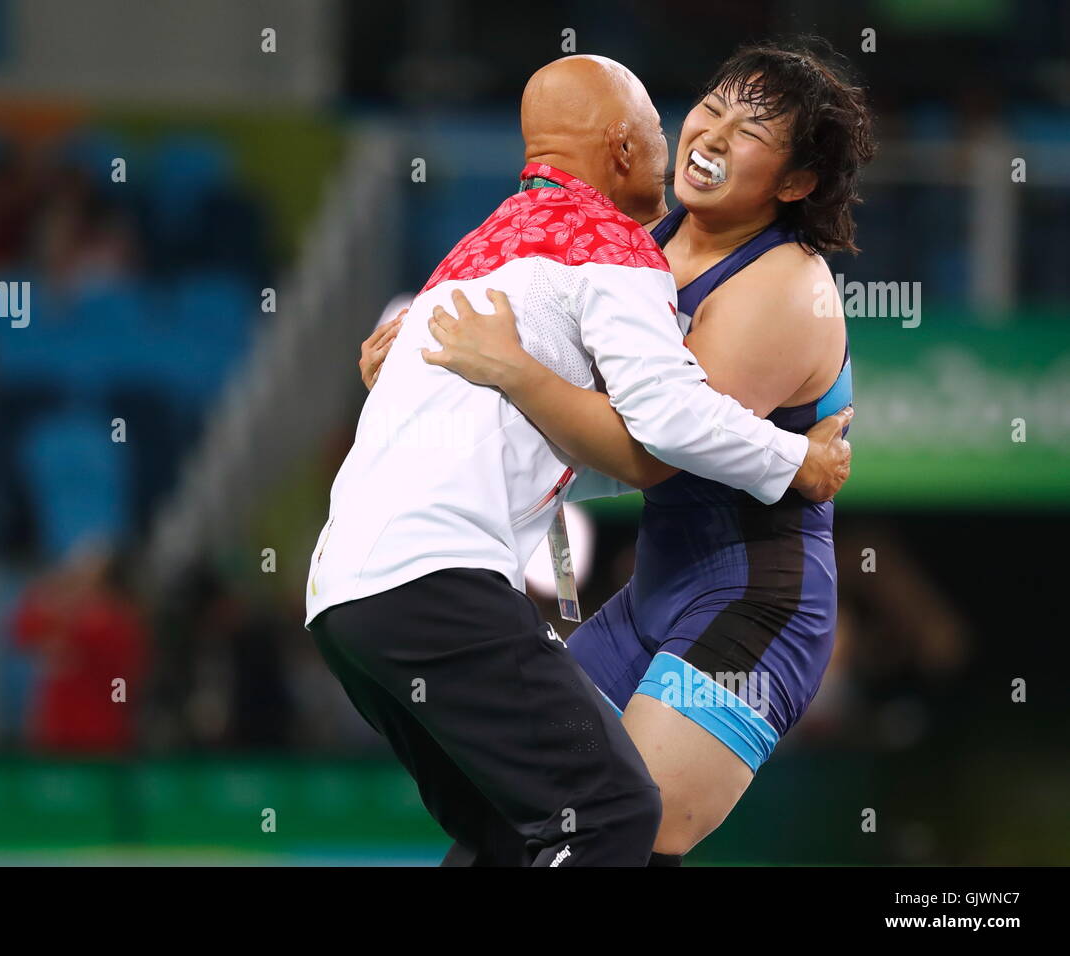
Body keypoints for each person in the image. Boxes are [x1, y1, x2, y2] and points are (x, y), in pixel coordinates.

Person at [312, 54, 852, 866]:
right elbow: (569, 432)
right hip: (652, 591)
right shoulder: (632, 239)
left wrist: (510, 373)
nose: (712, 137)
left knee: (634, 821)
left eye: (752, 132)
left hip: (753, 599)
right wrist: (430, 380)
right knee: (538, 817)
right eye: (711, 109)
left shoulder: (780, 285)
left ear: (797, 181)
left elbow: (656, 452)